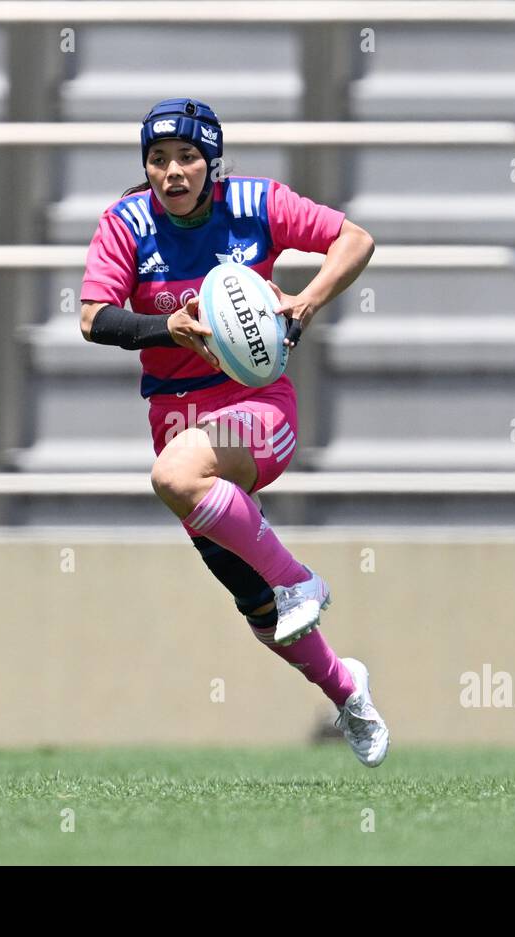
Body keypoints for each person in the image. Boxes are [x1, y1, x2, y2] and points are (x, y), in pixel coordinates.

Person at [78, 97, 389, 766]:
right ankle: (347, 693)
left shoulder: (256, 204)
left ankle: (300, 579)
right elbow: (92, 318)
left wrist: (303, 304)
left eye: (187, 157)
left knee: (175, 477)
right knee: (262, 615)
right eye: (157, 160)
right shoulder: (127, 224)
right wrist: (171, 329)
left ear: (211, 162)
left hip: (258, 405)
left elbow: (354, 239)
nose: (171, 172)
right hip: (176, 418)